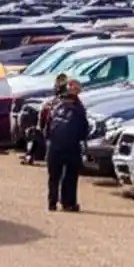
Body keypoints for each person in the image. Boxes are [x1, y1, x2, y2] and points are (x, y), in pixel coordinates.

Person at [44, 79, 90, 212]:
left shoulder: (54, 104)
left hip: (54, 145)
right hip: (71, 146)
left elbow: (46, 126)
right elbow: (84, 129)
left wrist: (49, 140)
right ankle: (68, 203)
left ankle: (52, 202)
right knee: (70, 175)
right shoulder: (78, 108)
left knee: (54, 176)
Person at [25, 74, 68, 165]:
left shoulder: (68, 100)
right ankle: (30, 155)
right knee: (33, 132)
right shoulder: (54, 100)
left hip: (60, 132)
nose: (56, 88)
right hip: (48, 130)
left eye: (59, 86)